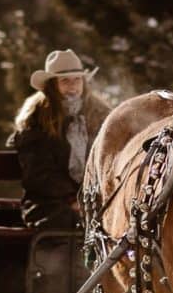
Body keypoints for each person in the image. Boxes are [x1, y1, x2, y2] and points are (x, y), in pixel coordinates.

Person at [8, 49, 110, 230]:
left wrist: (95, 197)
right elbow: (39, 173)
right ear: (52, 86)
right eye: (65, 81)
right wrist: (73, 199)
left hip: (93, 199)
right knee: (66, 221)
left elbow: (109, 160)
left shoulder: (100, 114)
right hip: (49, 203)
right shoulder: (36, 120)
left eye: (77, 80)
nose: (72, 86)